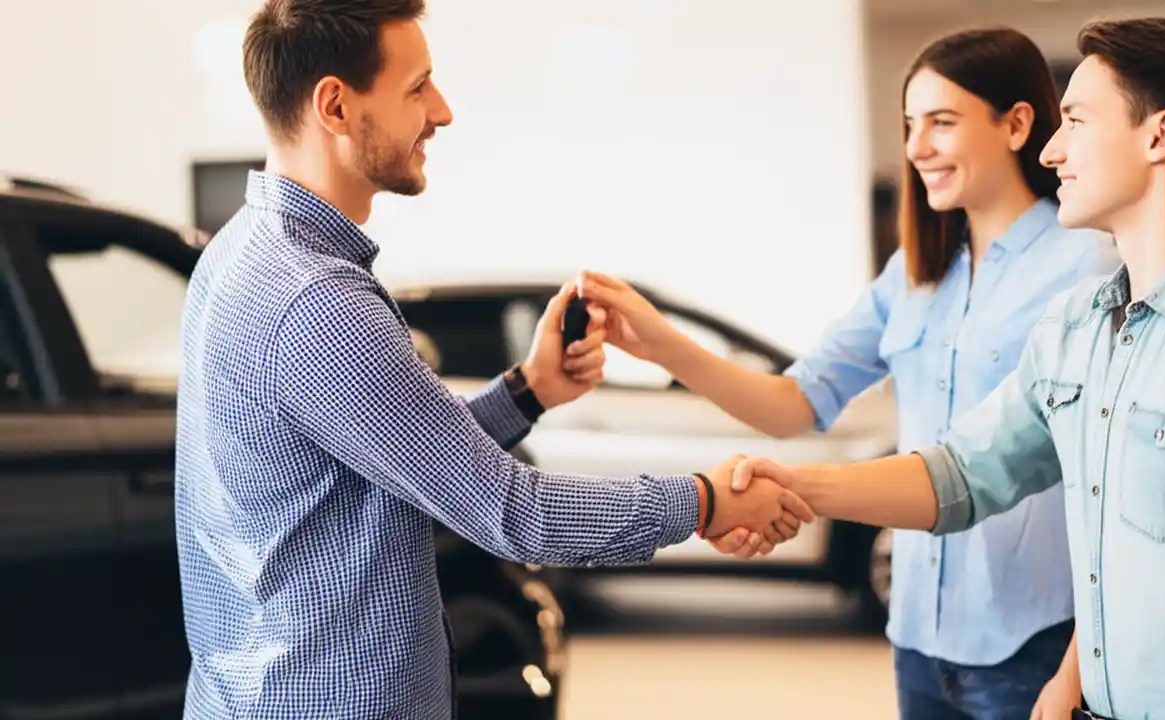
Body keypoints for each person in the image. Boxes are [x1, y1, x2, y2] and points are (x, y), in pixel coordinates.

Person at [173, 1, 811, 717]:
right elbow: (512, 512)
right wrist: (704, 501)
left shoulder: (239, 252)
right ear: (336, 105)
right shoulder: (319, 302)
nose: (441, 112)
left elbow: (405, 460)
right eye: (416, 88)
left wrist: (529, 391)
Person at [722, 14, 1165, 720]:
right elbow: (964, 475)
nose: (1051, 151)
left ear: (1159, 135)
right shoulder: (1075, 328)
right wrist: (797, 486)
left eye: (1075, 120)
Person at [579, 27, 1117, 720]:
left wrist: (1077, 667)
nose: (917, 146)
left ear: (1016, 124)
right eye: (909, 125)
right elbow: (793, 404)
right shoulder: (916, 275)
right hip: (918, 635)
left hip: (1033, 642)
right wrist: (659, 344)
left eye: (942, 123)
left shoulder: (1088, 265)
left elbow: (1105, 482)